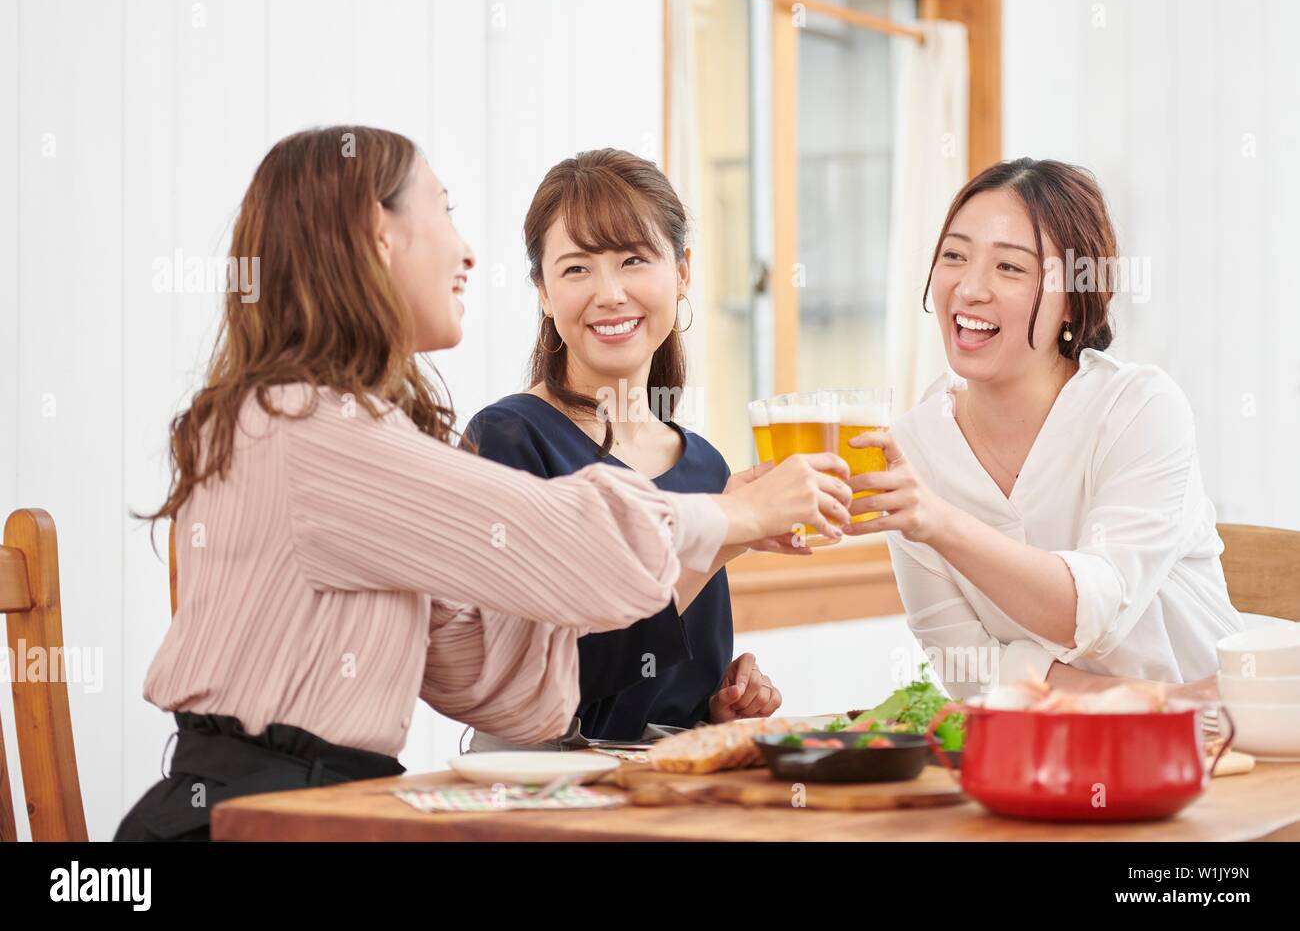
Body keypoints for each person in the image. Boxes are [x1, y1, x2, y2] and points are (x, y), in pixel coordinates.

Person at [115, 126, 852, 840]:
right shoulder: (308, 426)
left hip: (337, 802)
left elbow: (485, 679)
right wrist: (731, 519)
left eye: (633, 260)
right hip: (253, 819)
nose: (467, 253)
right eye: (444, 210)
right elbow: (570, 535)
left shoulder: (345, 426)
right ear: (381, 237)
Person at [845, 158, 1241, 700]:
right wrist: (1160, 699)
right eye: (954, 256)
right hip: (1052, 753)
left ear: (1074, 298)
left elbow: (1094, 612)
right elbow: (967, 668)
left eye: (1010, 268)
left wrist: (937, 522)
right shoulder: (914, 447)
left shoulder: (1139, 409)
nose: (969, 289)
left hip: (1213, 746)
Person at [465, 149, 797, 751]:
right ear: (542, 290)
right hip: (547, 796)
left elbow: (663, 685)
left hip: (674, 791)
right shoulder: (508, 440)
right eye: (576, 269)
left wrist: (720, 709)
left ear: (682, 271)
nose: (610, 293)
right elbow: (549, 678)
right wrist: (723, 535)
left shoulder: (704, 465)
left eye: (633, 260)